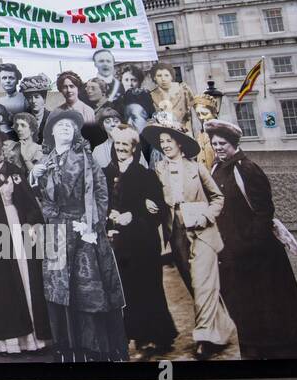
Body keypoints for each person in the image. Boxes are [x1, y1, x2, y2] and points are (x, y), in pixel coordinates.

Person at [206, 120, 297, 360]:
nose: (218, 147)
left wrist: (249, 243)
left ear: (234, 144)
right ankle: (250, 346)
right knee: (244, 302)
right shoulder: (216, 169)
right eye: (214, 143)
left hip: (257, 252)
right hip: (231, 249)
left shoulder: (247, 169)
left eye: (222, 143)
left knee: (266, 301)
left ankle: (280, 349)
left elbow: (265, 210)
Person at [30, 111, 128, 362]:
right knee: (59, 290)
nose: (64, 128)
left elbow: (100, 192)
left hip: (83, 230)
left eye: (69, 126)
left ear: (75, 133)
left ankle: (94, 347)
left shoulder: (84, 158)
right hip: (56, 231)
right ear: (51, 133)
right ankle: (66, 346)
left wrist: (92, 225)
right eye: (59, 125)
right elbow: (39, 200)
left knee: (87, 288)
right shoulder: (45, 162)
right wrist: (35, 178)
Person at [145, 120, 235, 358]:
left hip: (202, 231)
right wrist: (150, 204)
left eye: (168, 141)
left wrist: (207, 215)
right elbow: (153, 196)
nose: (165, 145)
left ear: (179, 144)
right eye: (161, 142)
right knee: (197, 286)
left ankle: (204, 338)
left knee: (202, 283)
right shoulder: (159, 170)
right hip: (176, 234)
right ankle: (222, 330)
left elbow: (218, 198)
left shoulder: (196, 168)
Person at [0, 123, 50, 355]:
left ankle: (32, 338)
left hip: (17, 226)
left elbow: (29, 202)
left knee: (26, 276)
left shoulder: (15, 170)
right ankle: (6, 340)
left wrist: (33, 223)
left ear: (2, 144)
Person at [103, 124, 176, 357]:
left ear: (134, 148)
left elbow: (159, 209)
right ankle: (136, 335)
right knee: (126, 291)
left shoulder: (145, 175)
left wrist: (134, 216)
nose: (121, 148)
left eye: (125, 144)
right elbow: (101, 203)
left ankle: (158, 336)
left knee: (148, 288)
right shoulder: (106, 173)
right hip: (118, 243)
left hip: (143, 242)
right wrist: (109, 219)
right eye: (118, 144)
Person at [148, 62, 196, 134]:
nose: (163, 79)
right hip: (165, 135)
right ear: (154, 78)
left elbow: (196, 110)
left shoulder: (184, 90)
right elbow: (151, 118)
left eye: (166, 75)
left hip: (185, 132)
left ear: (171, 76)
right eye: (159, 76)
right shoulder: (151, 95)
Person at [192, 91, 223, 171]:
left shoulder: (222, 134)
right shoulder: (199, 135)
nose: (201, 117)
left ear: (214, 113)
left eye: (204, 113)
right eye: (198, 114)